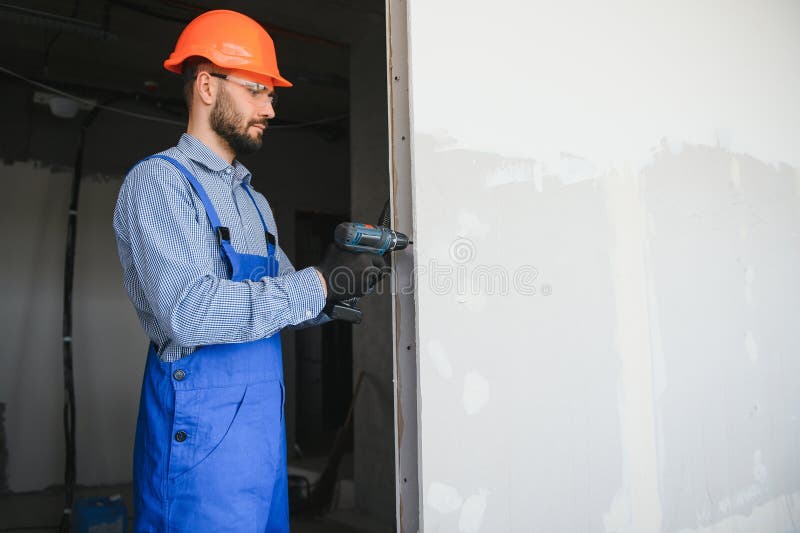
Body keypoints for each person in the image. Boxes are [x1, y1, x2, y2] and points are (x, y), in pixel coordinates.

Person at [112, 9, 384, 532]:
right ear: (208, 86)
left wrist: (340, 295)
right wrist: (320, 282)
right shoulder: (160, 183)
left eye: (272, 95)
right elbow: (187, 314)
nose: (271, 108)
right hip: (200, 453)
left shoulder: (255, 202)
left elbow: (284, 303)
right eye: (257, 90)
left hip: (261, 446)